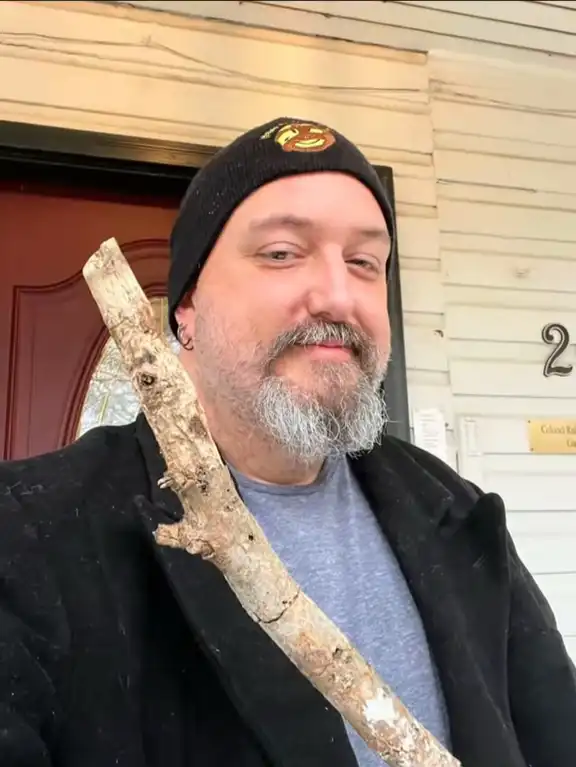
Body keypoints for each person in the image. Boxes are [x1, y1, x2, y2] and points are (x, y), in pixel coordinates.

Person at [0, 117, 574, 767]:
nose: (337, 296)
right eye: (281, 253)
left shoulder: (455, 511)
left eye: (364, 262)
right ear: (186, 309)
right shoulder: (30, 535)